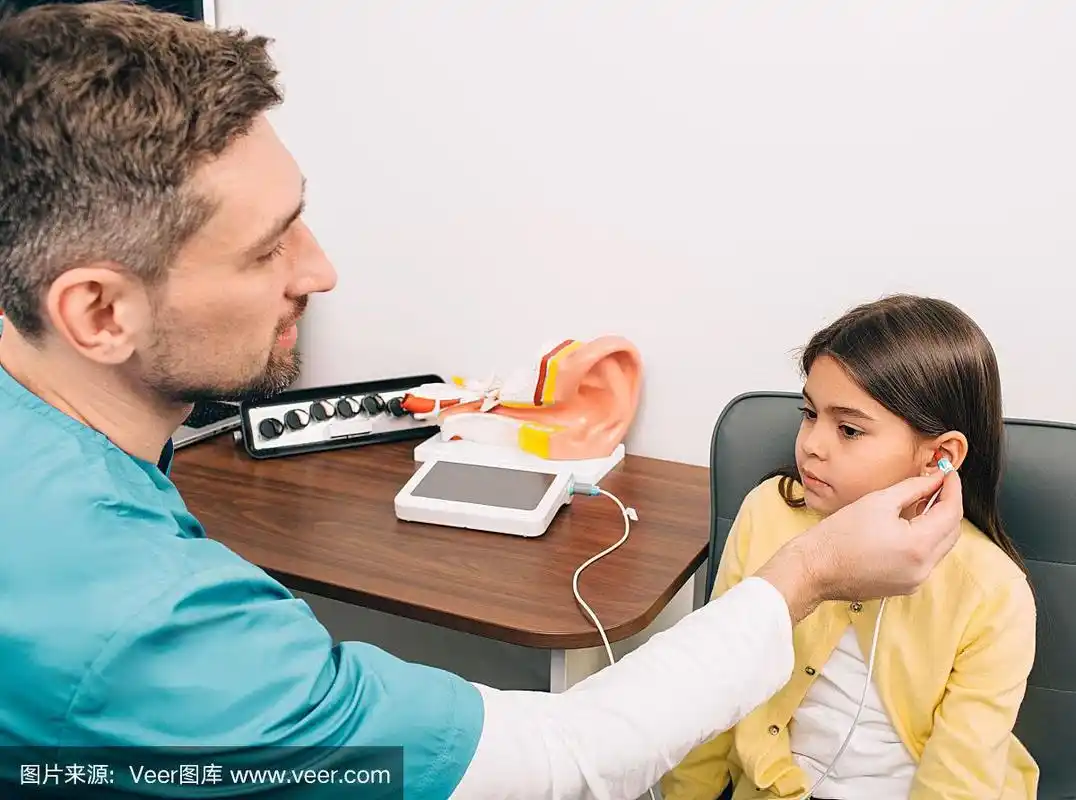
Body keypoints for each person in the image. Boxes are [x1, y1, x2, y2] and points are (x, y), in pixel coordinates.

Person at [0, 4, 966, 798]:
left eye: (303, 219)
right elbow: (563, 759)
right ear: (97, 310)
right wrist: (804, 579)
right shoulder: (132, 618)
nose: (322, 271)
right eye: (268, 247)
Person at [660, 295, 1038, 800]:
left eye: (849, 429)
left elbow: (958, 781)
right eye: (809, 413)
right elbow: (714, 688)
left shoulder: (993, 592)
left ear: (940, 457)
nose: (813, 443)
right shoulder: (768, 513)